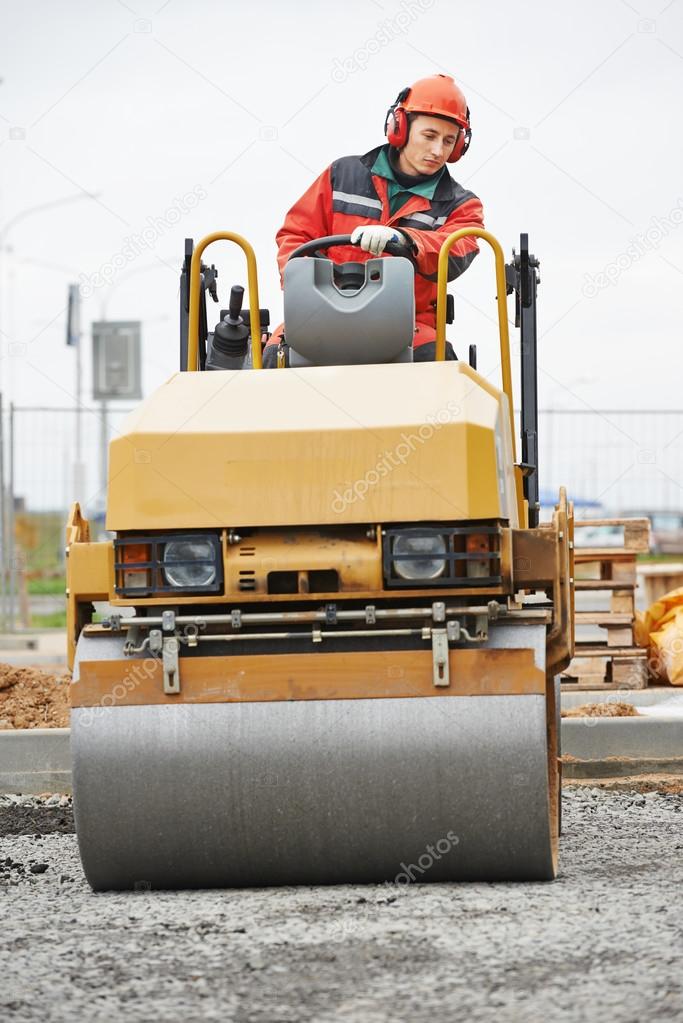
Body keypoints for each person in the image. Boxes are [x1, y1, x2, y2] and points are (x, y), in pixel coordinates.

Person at [263, 73, 484, 367]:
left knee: (438, 362)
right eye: (429, 136)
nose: (437, 150)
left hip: (409, 325)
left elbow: (457, 250)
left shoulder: (461, 205)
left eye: (448, 141)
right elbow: (295, 236)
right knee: (274, 356)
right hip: (323, 312)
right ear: (399, 127)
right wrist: (313, 289)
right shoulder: (341, 175)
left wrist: (406, 240)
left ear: (459, 147)